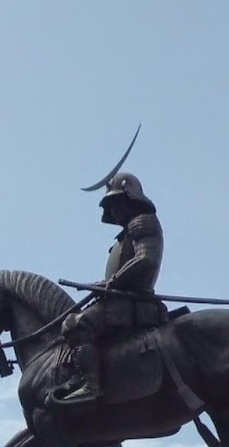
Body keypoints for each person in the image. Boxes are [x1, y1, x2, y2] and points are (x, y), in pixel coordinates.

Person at [52, 172, 164, 407]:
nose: (113, 212)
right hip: (120, 299)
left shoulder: (142, 221)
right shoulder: (125, 235)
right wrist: (105, 285)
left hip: (133, 302)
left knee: (76, 324)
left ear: (129, 199)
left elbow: (145, 259)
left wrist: (111, 283)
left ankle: (90, 385)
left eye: (115, 204)